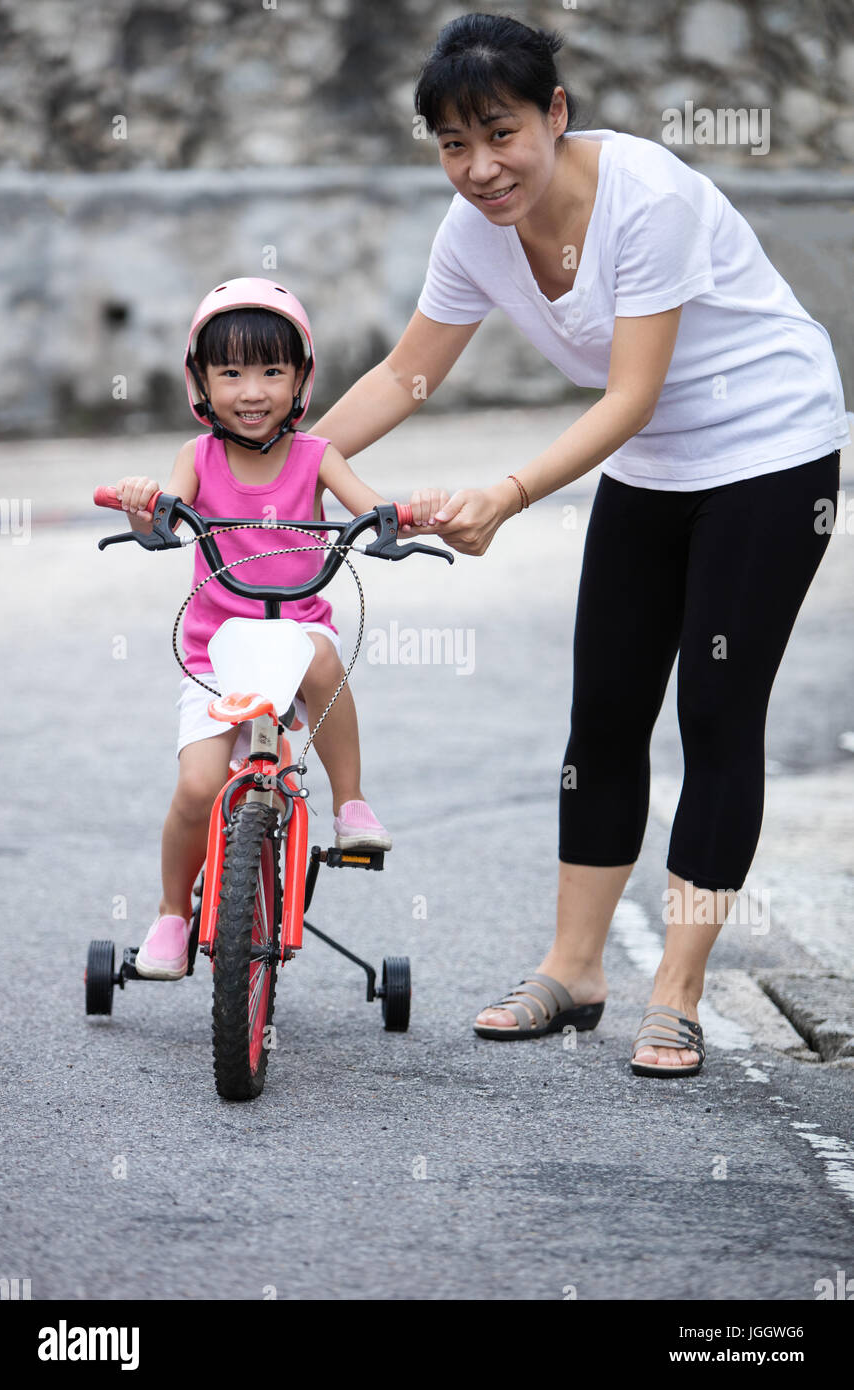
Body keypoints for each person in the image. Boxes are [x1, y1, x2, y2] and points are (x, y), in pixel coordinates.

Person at [312, 14, 850, 1076]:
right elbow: (405, 376)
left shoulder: (642, 197)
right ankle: (574, 969)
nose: (479, 168)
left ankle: (677, 992)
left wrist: (505, 493)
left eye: (499, 132)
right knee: (602, 710)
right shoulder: (470, 231)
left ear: (554, 114)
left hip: (768, 450)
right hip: (652, 464)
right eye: (452, 144)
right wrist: (277, 455)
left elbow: (631, 392)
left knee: (713, 709)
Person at [113, 277, 447, 979]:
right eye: (230, 372)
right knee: (198, 789)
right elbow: (166, 511)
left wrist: (405, 518)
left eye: (272, 370)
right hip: (215, 654)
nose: (252, 390)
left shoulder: (316, 455)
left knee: (323, 655)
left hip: (295, 635)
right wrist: (147, 508)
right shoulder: (197, 459)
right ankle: (174, 912)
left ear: (301, 378)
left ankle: (350, 801)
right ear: (199, 381)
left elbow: (368, 506)